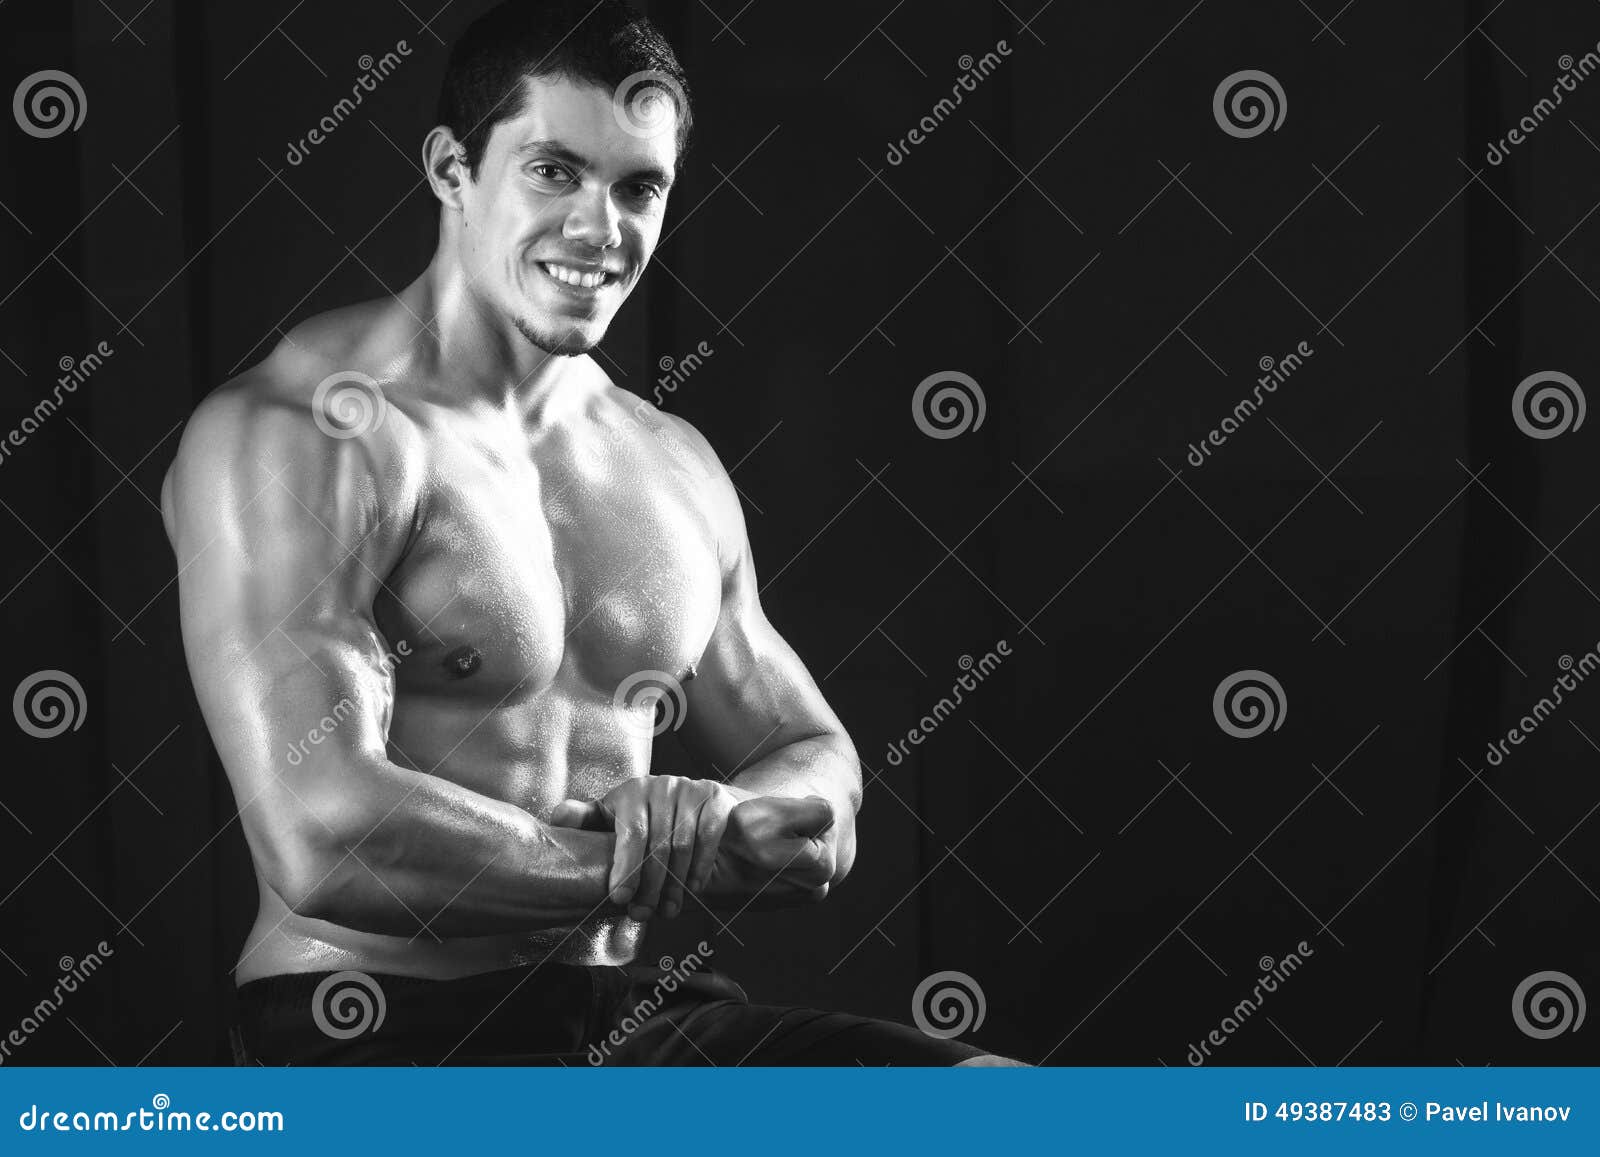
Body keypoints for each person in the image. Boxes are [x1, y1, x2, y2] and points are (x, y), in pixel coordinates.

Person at [162, 0, 1022, 1066]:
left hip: (631, 1022)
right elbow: (324, 834)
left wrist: (744, 811)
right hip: (377, 1030)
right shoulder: (301, 434)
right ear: (451, 168)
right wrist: (658, 855)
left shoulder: (672, 463)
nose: (599, 229)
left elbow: (817, 777)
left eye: (637, 186)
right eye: (554, 171)